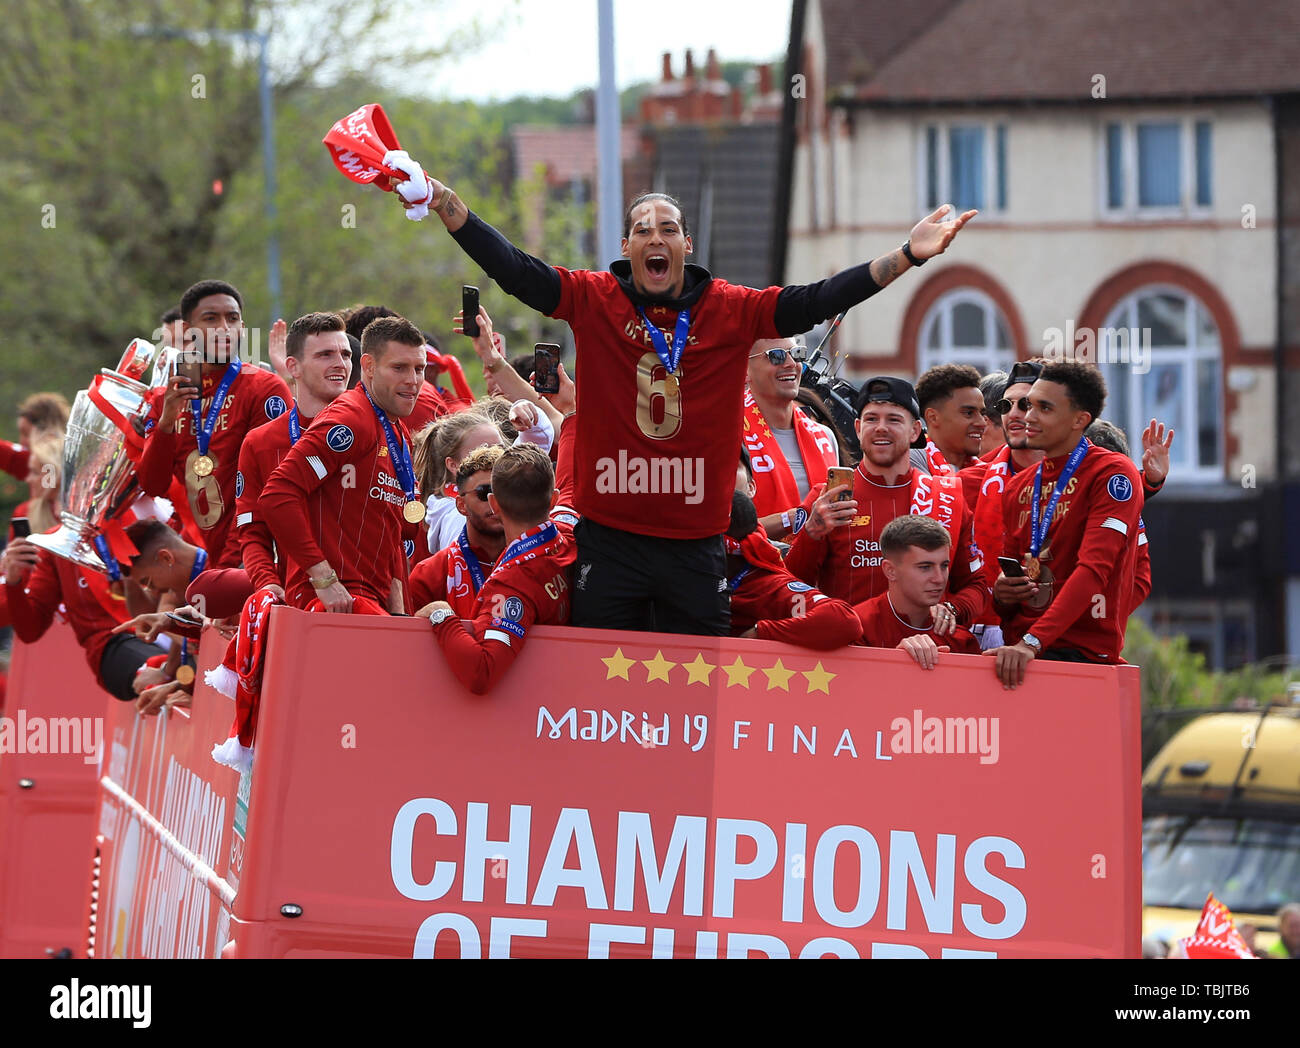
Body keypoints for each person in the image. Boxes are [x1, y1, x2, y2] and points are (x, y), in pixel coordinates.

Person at [384, 148, 976, 635]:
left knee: (695, 695)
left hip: (696, 544)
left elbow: (817, 297)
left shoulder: (732, 307)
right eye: (643, 230)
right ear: (627, 248)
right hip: (610, 538)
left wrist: (907, 256)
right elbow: (515, 269)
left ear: (685, 246)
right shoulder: (593, 298)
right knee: (602, 690)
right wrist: (446, 203)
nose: (655, 237)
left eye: (668, 229)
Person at [986, 362, 1144, 688]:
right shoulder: (1018, 487)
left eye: (1044, 408)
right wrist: (1003, 595)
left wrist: (1032, 643)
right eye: (1030, 404)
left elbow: (1094, 570)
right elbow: (1016, 584)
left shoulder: (1113, 473)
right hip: (1021, 654)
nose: (1028, 417)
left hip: (1080, 657)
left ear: (1079, 420)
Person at [784, 376, 988, 627]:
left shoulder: (946, 495)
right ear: (858, 429)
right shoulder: (826, 498)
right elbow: (789, 585)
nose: (881, 427)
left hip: (926, 655)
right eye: (871, 419)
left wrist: (952, 610)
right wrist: (811, 533)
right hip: (848, 653)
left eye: (893, 419)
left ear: (915, 431)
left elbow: (977, 585)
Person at [260, 315, 427, 614]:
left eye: (419, 369)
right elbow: (277, 495)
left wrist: (399, 609)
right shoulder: (350, 419)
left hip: (373, 601)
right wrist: (323, 579)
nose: (412, 381)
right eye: (399, 368)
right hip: (337, 603)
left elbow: (389, 534)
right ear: (369, 367)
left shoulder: (396, 429)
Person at [136, 279, 293, 568]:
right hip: (214, 557)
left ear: (242, 328)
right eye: (210, 319)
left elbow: (269, 490)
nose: (224, 328)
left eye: (232, 318)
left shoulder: (265, 389)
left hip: (258, 561)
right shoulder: (163, 400)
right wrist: (166, 424)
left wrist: (232, 567)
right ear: (186, 330)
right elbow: (153, 484)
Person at [2, 435, 163, 701]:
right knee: (157, 666)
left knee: (179, 661)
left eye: (34, 472)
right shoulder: (50, 540)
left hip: (162, 626)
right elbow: (30, 628)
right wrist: (14, 581)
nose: (28, 480)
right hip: (114, 645)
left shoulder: (134, 511)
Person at [418, 443, 575, 694]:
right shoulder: (568, 538)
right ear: (553, 499)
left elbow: (482, 672)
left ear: (495, 504)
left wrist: (441, 614)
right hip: (567, 703)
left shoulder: (512, 583)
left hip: (526, 713)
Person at [236, 311, 352, 607]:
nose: (340, 364)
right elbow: (253, 532)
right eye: (325, 355)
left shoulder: (377, 432)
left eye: (345, 354)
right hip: (299, 603)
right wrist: (268, 585)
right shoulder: (261, 442)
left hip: (368, 600)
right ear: (293, 367)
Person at [728, 453, 860, 648]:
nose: (721, 475)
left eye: (730, 465)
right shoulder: (674, 555)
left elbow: (843, 620)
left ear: (751, 487)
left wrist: (756, 634)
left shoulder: (764, 565)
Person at [743, 337, 840, 540]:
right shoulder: (728, 436)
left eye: (797, 354)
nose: (791, 364)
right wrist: (798, 518)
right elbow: (727, 530)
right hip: (757, 568)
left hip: (816, 568)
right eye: (776, 356)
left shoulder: (825, 437)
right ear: (745, 370)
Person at [854, 515, 982, 669]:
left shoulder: (960, 640)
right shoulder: (857, 628)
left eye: (944, 566)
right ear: (890, 570)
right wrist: (896, 661)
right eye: (925, 567)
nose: (939, 578)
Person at [409, 444, 507, 617]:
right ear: (461, 505)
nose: (495, 502)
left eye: (504, 492)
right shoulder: (429, 574)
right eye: (485, 493)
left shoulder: (534, 565)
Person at [915, 364, 987, 473]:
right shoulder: (906, 469)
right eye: (969, 413)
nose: (982, 423)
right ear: (933, 417)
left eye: (982, 413)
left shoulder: (990, 477)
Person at [0, 392, 70, 484]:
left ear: (47, 433)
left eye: (26, 434)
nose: (22, 442)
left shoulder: (49, 466)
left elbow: (49, 493)